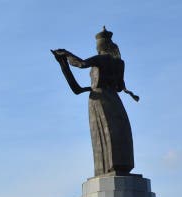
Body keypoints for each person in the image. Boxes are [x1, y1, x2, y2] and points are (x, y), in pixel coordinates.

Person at [52, 27, 139, 177]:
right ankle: (114, 167)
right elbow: (118, 87)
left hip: (99, 101)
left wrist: (66, 55)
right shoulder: (120, 63)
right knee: (116, 132)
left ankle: (107, 168)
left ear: (101, 45)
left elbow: (81, 64)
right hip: (114, 101)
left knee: (105, 135)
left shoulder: (101, 59)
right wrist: (64, 64)